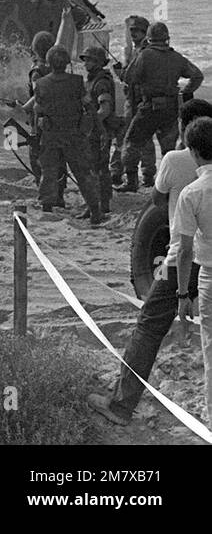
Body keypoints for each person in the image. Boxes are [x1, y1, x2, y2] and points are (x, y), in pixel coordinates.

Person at [87, 99, 212, 425]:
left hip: (180, 259)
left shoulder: (173, 159)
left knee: (149, 328)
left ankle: (121, 406)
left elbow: (157, 202)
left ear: (185, 128)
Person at [120, 22, 204, 193]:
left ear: (149, 38)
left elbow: (129, 77)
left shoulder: (145, 55)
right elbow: (197, 75)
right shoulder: (177, 58)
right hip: (171, 109)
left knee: (131, 143)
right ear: (167, 38)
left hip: (149, 108)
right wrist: (184, 92)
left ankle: (132, 181)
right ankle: (168, 183)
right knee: (168, 149)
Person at [31, 45, 103, 223]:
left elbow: (37, 111)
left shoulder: (41, 84)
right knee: (83, 173)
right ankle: (95, 210)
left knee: (49, 171)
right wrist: (97, 128)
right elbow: (88, 106)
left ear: (49, 63)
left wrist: (35, 133)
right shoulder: (77, 82)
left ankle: (47, 206)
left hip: (51, 135)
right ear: (67, 63)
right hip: (74, 135)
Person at [174, 116, 212, 428]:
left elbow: (185, 250)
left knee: (211, 346)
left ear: (193, 152)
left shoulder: (192, 192)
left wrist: (183, 294)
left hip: (210, 274)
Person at [24, 31, 66, 207]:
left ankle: (47, 197)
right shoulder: (58, 68)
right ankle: (59, 195)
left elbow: (39, 95)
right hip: (61, 120)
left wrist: (24, 107)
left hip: (41, 121)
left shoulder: (37, 72)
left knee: (39, 159)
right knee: (59, 158)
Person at [112, 15, 153, 188]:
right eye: (132, 31)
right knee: (132, 137)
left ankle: (139, 176)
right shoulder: (136, 50)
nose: (134, 34)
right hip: (134, 100)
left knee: (134, 138)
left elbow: (132, 77)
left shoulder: (145, 52)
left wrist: (121, 73)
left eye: (138, 31)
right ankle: (126, 174)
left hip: (140, 101)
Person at [82, 46, 119, 215]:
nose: (85, 63)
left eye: (89, 60)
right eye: (85, 60)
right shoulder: (94, 79)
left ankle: (98, 205)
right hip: (95, 131)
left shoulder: (101, 82)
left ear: (98, 62)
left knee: (96, 169)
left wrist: (90, 122)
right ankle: (99, 204)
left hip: (98, 132)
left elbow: (105, 109)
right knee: (96, 168)